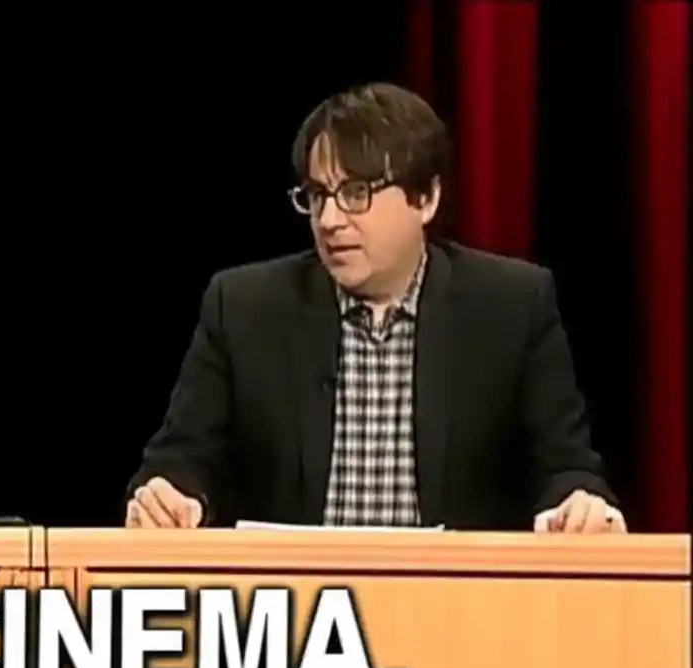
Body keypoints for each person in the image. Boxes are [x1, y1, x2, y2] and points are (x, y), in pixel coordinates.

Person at [125, 82, 625, 533]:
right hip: (301, 615)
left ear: (425, 198)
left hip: (459, 613)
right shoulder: (244, 307)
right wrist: (170, 495)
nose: (329, 220)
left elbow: (567, 466)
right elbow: (181, 460)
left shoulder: (512, 306)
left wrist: (578, 503)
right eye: (317, 196)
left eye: (356, 193)